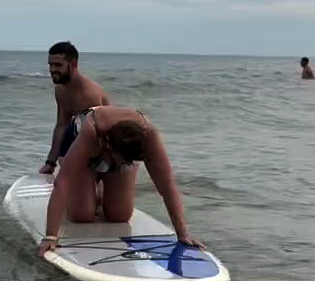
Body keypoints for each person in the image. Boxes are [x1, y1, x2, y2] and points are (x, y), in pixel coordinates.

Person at [38, 105, 202, 255]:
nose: (126, 163)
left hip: (117, 146)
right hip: (79, 142)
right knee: (83, 215)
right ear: (109, 147)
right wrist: (51, 236)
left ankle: (99, 189)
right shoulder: (91, 130)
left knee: (119, 215)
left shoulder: (149, 136)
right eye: (123, 160)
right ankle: (85, 189)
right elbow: (62, 183)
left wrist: (183, 234)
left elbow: (167, 186)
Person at [40, 42, 110, 174]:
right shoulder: (60, 89)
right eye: (50, 64)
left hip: (106, 149)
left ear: (73, 64)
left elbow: (104, 138)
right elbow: (61, 125)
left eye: (58, 65)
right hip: (84, 138)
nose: (52, 69)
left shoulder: (88, 95)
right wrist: (50, 163)